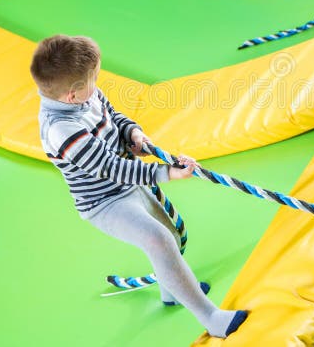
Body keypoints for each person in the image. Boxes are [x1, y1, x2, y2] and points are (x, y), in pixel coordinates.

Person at [30, 34, 248, 339]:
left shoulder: (84, 93)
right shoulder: (60, 130)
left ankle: (173, 290)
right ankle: (211, 317)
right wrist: (167, 173)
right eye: (93, 80)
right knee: (158, 239)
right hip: (104, 202)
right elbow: (110, 168)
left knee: (169, 235)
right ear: (71, 95)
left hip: (130, 184)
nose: (97, 84)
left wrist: (134, 135)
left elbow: (114, 117)